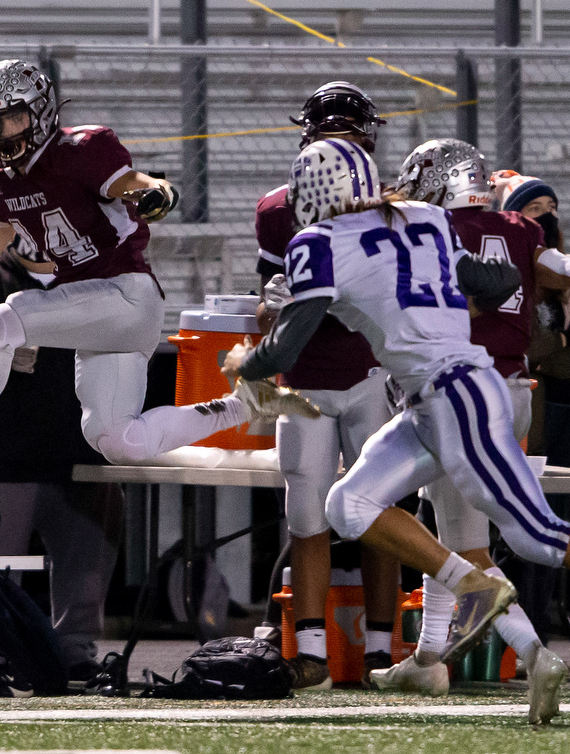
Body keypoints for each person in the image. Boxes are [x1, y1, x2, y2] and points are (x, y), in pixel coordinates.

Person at [223, 137, 570, 723]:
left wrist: (243, 363)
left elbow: (288, 343)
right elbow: (495, 283)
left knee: (534, 536)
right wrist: (443, 307)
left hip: (459, 393)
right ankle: (472, 589)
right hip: (430, 398)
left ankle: (471, 592)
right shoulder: (425, 218)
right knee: (349, 503)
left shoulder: (321, 241)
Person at [0, 59, 318, 494]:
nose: (1, 134)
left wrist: (155, 192)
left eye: (11, 119)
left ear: (39, 112)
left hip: (127, 295)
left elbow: (136, 181)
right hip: (92, 311)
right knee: (118, 440)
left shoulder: (81, 150)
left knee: (2, 322)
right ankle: (247, 402)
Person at [368, 139, 570, 721]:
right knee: (450, 527)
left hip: (462, 392)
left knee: (473, 546)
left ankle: (534, 655)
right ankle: (428, 659)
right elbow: (564, 273)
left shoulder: (428, 231)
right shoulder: (519, 227)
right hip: (515, 393)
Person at [253, 81, 400, 690]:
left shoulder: (393, 209)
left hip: (370, 371)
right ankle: (309, 650)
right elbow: (266, 307)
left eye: (350, 136)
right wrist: (279, 304)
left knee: (379, 513)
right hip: (306, 378)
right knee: (307, 512)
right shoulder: (277, 211)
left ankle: (382, 650)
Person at [0, 238, 122, 681]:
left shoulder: (94, 281)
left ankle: (74, 652)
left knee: (86, 565)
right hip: (5, 454)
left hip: (81, 452)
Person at [494, 172, 570, 646]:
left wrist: (553, 347)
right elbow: (526, 342)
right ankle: (506, 627)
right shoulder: (507, 273)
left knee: (557, 508)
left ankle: (540, 615)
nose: (547, 215)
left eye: (552, 205)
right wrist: (556, 344)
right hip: (522, 402)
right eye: (535, 209)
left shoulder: (568, 278)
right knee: (513, 511)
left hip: (564, 405)